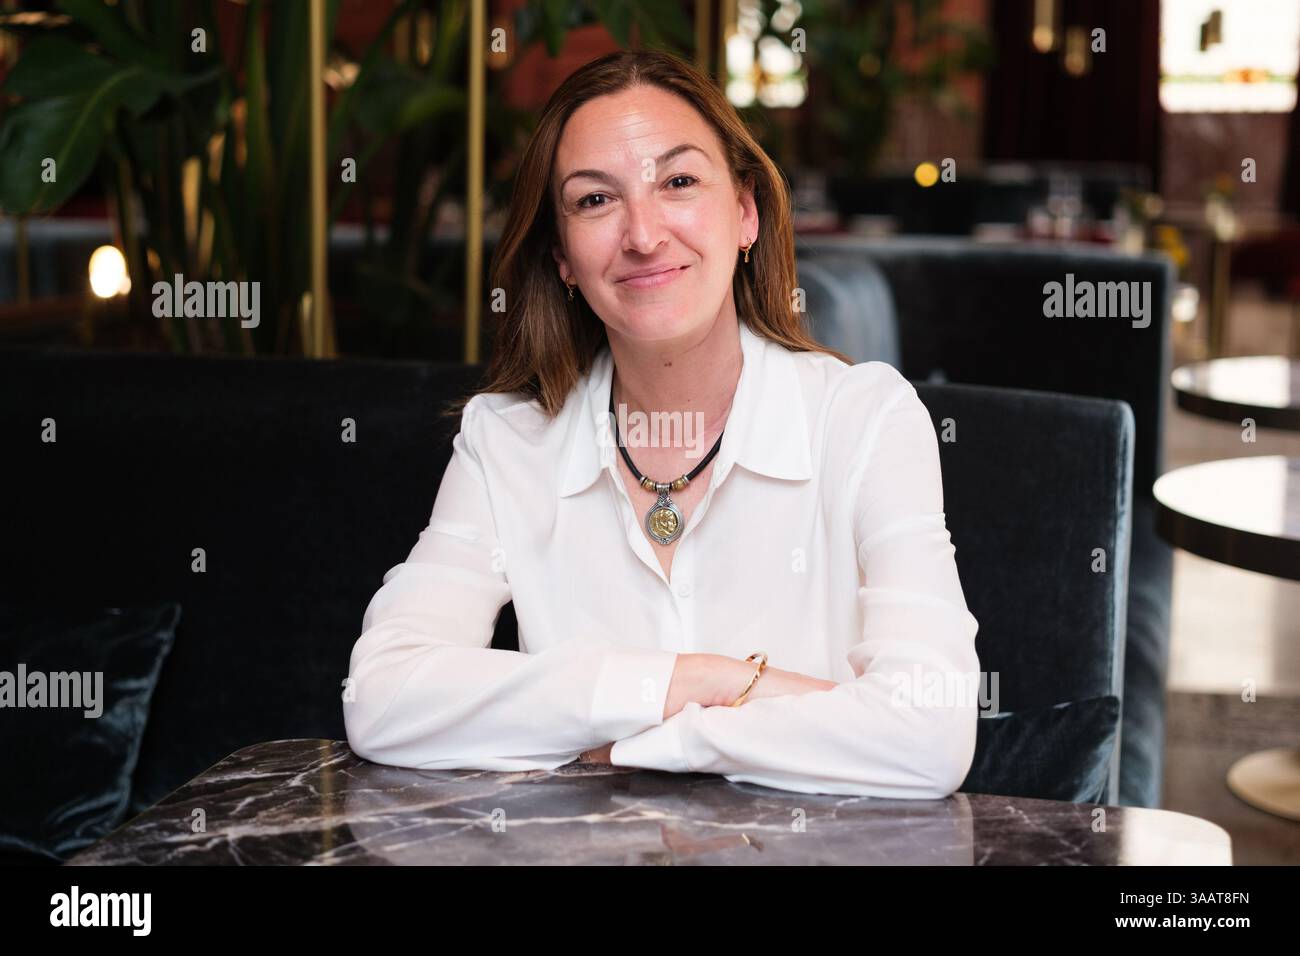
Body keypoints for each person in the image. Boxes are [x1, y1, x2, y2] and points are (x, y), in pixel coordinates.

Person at [343, 49, 982, 798]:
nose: (643, 234)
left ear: (745, 213)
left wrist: (662, 741)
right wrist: (698, 681)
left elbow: (930, 734)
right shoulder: (506, 441)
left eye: (678, 182)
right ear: (562, 260)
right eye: (594, 201)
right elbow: (382, 698)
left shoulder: (865, 420)